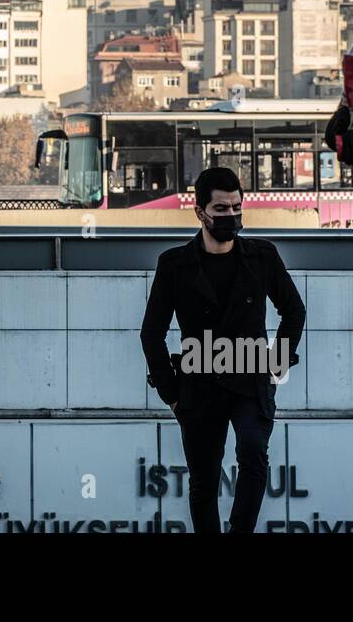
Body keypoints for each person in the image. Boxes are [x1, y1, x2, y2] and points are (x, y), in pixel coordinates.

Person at [140, 167, 306, 533]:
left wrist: (277, 364)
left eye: (236, 207)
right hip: (198, 385)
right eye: (221, 209)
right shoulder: (175, 264)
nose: (231, 216)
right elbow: (151, 332)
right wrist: (171, 394)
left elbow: (294, 310)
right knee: (203, 481)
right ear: (200, 213)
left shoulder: (262, 256)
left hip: (251, 381)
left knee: (252, 454)